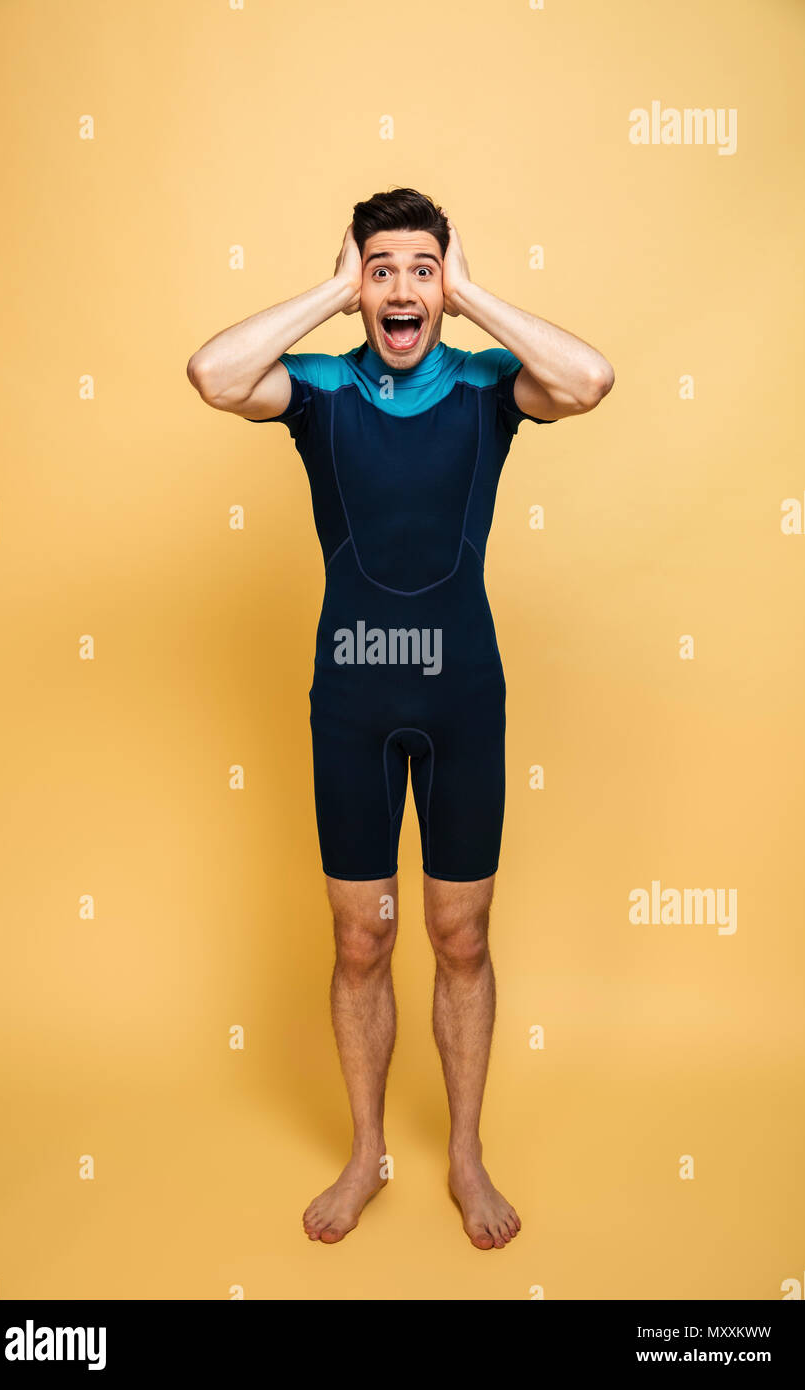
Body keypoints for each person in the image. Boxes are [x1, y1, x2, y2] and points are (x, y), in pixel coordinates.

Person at [187, 188, 614, 1249]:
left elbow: (590, 379)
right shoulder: (324, 387)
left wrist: (471, 292)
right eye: (382, 269)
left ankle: (465, 1154)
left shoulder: (483, 385)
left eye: (419, 269)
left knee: (459, 937)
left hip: (463, 693)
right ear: (357, 286)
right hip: (352, 697)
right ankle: (367, 1151)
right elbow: (212, 374)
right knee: (359, 940)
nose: (401, 289)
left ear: (444, 284)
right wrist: (330, 290)